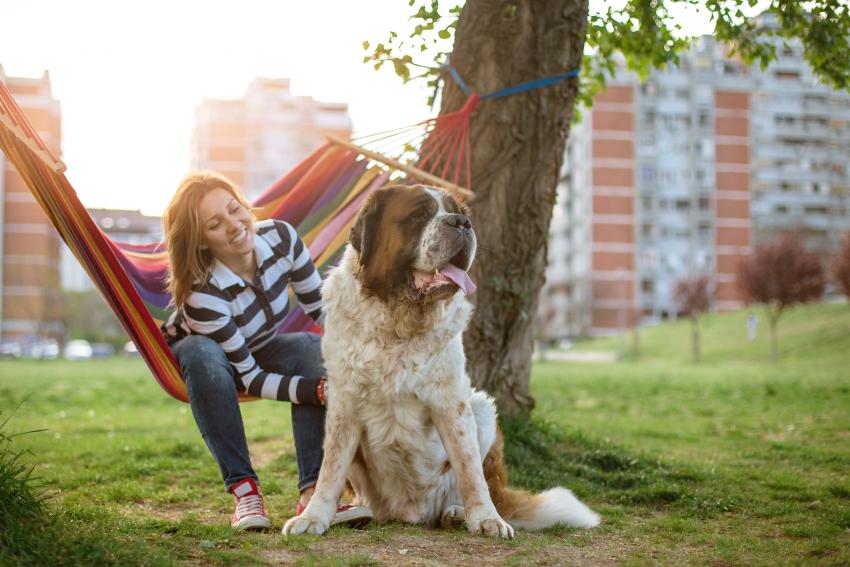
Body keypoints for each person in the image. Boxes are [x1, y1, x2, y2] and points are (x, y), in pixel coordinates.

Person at [160, 171, 371, 531]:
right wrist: (318, 390)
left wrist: (368, 350)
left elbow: (320, 310)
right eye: (215, 223)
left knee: (310, 348)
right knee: (203, 355)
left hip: (258, 343)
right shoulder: (202, 294)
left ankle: (314, 496)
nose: (234, 225)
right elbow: (250, 378)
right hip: (208, 353)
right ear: (200, 243)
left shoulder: (281, 238)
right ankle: (245, 492)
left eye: (233, 209)